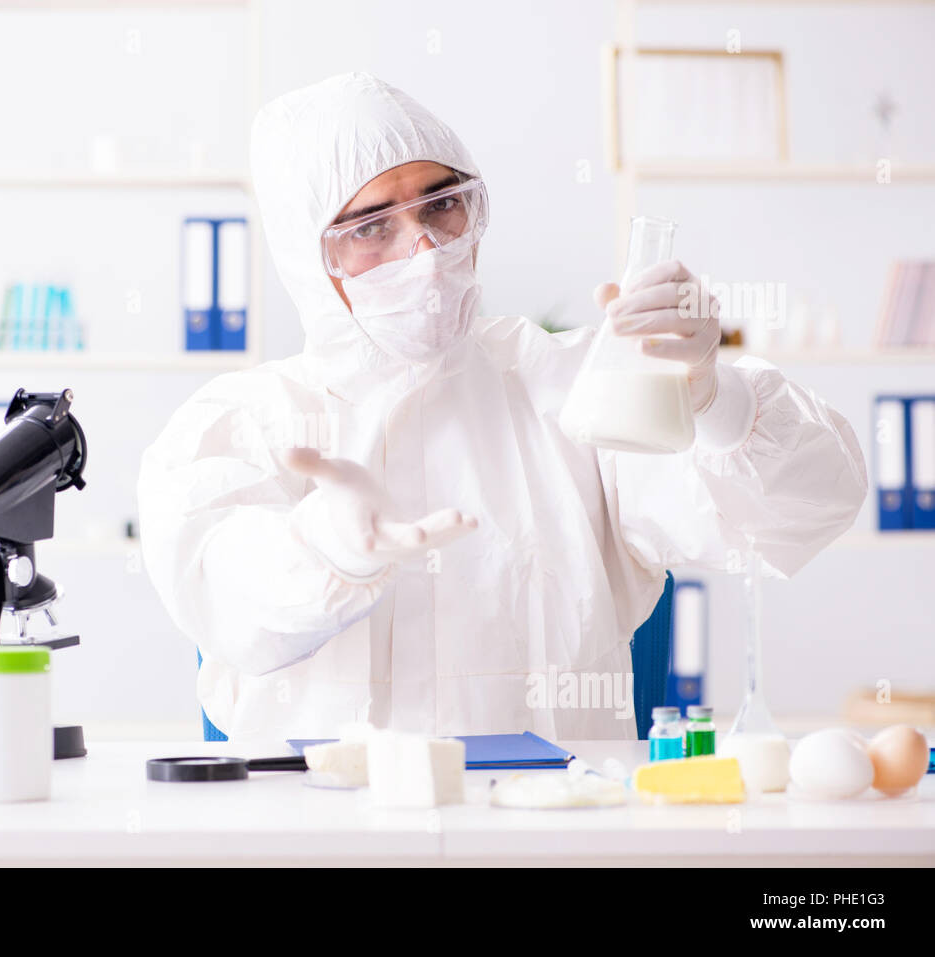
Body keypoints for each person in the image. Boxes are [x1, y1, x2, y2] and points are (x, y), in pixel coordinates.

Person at [136, 72, 866, 741]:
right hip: (330, 822)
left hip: (559, 816)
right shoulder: (246, 421)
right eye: (371, 227)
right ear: (309, 259)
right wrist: (326, 546)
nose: (424, 249)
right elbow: (222, 603)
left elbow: (806, 508)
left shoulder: (569, 386)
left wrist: (710, 396)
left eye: (442, 205)